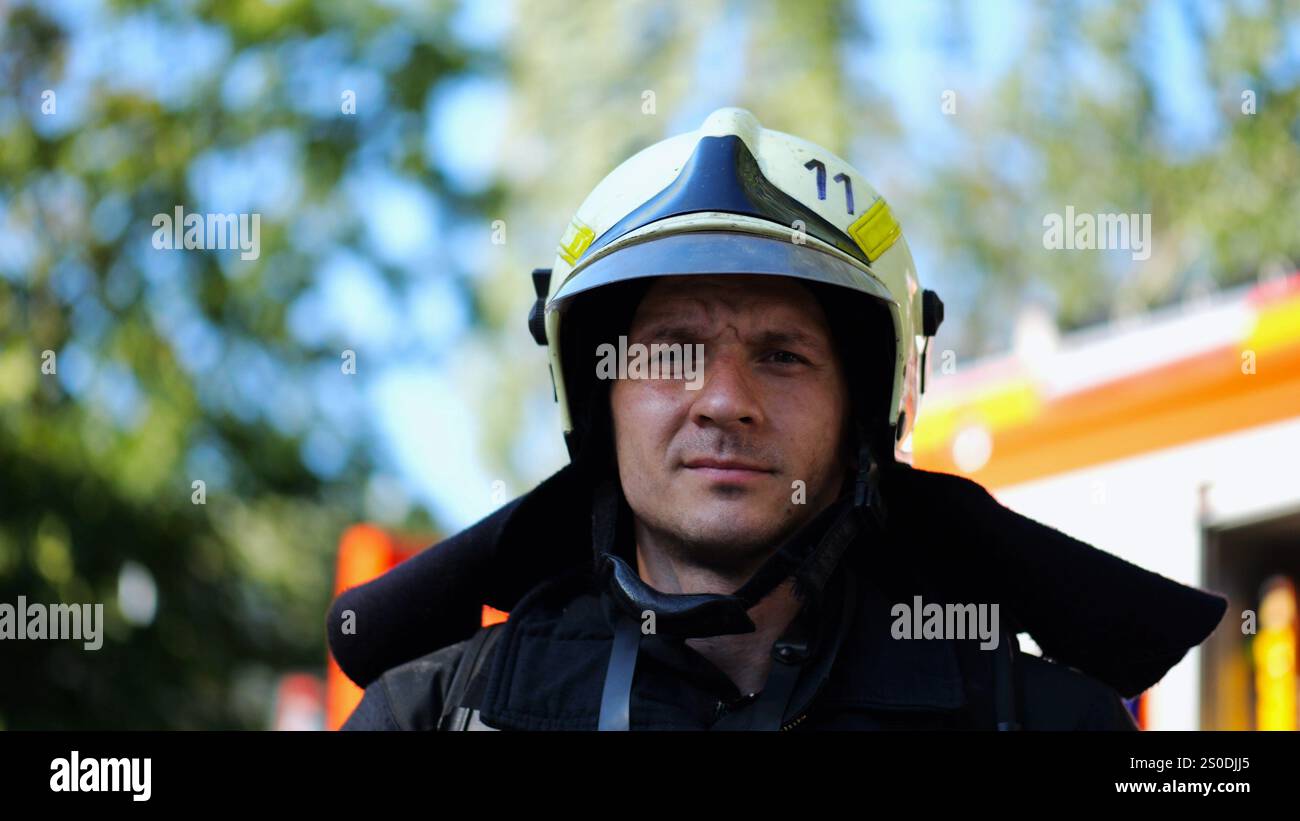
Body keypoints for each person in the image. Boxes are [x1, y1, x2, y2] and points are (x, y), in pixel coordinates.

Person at [332, 108, 1226, 731]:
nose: (724, 400)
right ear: (598, 394)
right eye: (674, 351)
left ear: (865, 413)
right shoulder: (434, 714)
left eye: (783, 355)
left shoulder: (1041, 720)